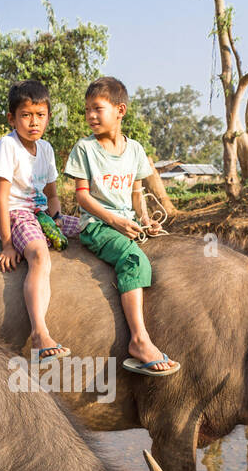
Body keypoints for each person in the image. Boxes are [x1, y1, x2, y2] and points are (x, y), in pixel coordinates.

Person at [64, 76, 179, 375]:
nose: (90, 115)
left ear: (120, 110)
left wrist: (145, 220)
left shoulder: (136, 150)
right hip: (98, 226)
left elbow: (136, 192)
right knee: (133, 259)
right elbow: (83, 197)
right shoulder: (84, 149)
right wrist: (114, 220)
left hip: (127, 222)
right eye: (87, 109)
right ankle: (139, 340)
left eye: (97, 109)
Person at [0, 79, 85, 362]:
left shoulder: (46, 149)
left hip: (42, 214)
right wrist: (7, 244)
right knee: (40, 255)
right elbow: (3, 199)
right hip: (17, 213)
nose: (34, 122)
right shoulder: (7, 146)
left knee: (89, 228)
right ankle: (39, 333)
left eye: (40, 115)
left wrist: (57, 222)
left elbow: (52, 195)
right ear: (12, 118)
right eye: (26, 115)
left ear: (48, 117)